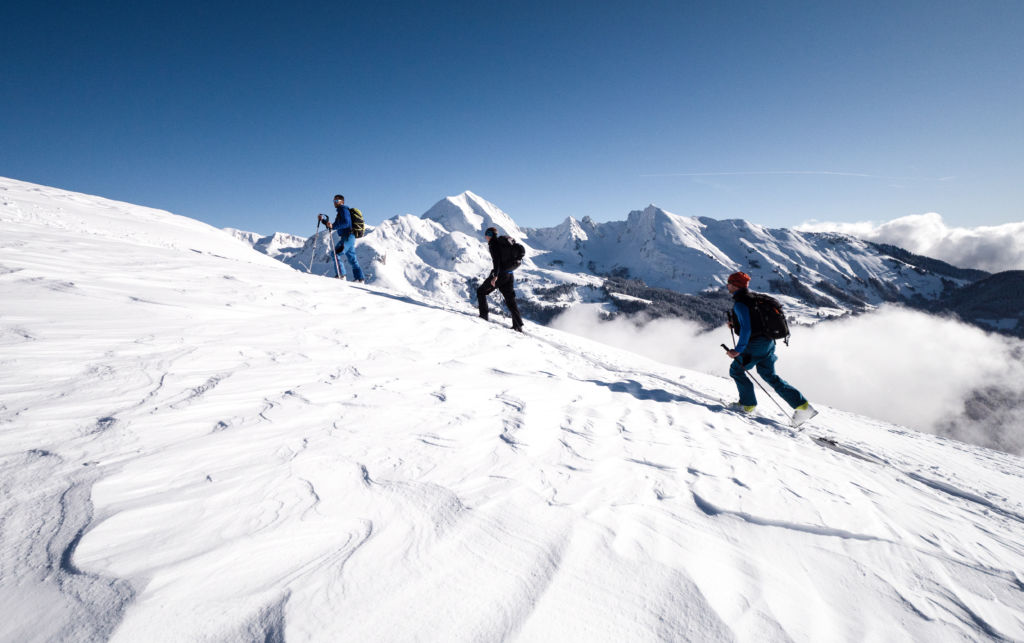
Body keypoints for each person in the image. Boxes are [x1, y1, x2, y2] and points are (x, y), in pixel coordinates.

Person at [725, 271, 817, 427]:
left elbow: (747, 329)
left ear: (735, 285)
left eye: (729, 283)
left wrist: (738, 350)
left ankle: (747, 405)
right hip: (768, 343)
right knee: (769, 375)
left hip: (754, 346)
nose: (727, 285)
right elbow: (756, 322)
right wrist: (736, 324)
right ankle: (803, 407)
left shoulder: (740, 304)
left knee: (736, 370)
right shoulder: (754, 298)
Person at [477, 227, 524, 332]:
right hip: (509, 274)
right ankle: (517, 326)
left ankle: (483, 316)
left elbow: (496, 261)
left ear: (489, 234)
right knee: (510, 300)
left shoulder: (493, 244)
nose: (485, 236)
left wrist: (495, 276)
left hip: (500, 275)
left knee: (481, 291)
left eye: (486, 234)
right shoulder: (502, 243)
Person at [318, 194, 365, 282]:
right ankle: (360, 279)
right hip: (349, 237)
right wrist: (323, 221)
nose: (334, 203)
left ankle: (341, 275)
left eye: (336, 201)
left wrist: (333, 225)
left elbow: (346, 223)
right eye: (334, 201)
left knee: (335, 253)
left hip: (347, 236)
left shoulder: (343, 209)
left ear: (342, 202)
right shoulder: (340, 212)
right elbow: (334, 226)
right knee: (352, 259)